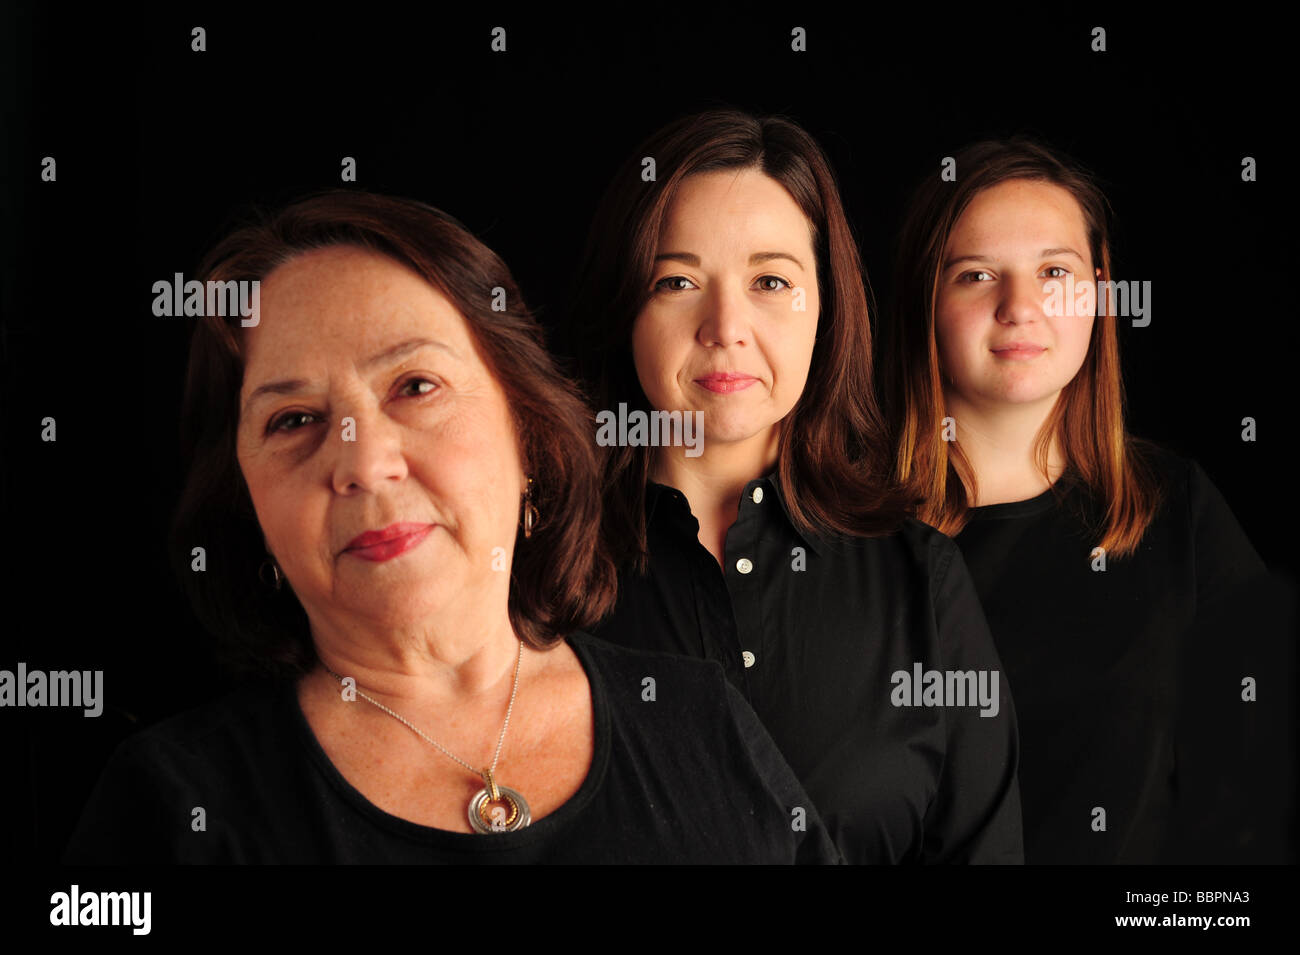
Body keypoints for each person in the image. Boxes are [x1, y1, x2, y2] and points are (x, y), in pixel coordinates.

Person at [63, 191, 840, 864]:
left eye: (415, 385)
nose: (364, 462)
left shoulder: (701, 720)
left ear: (529, 438)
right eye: (293, 419)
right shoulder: (170, 805)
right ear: (248, 504)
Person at [566, 109, 1023, 864]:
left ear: (828, 308)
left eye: (771, 280)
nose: (727, 325)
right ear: (627, 306)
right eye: (676, 280)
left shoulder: (920, 580)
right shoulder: (537, 571)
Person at [878, 137, 1287, 862]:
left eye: (1054, 272)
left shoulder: (1177, 509)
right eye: (976, 274)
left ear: (1099, 291)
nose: (1020, 307)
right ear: (925, 298)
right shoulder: (851, 526)